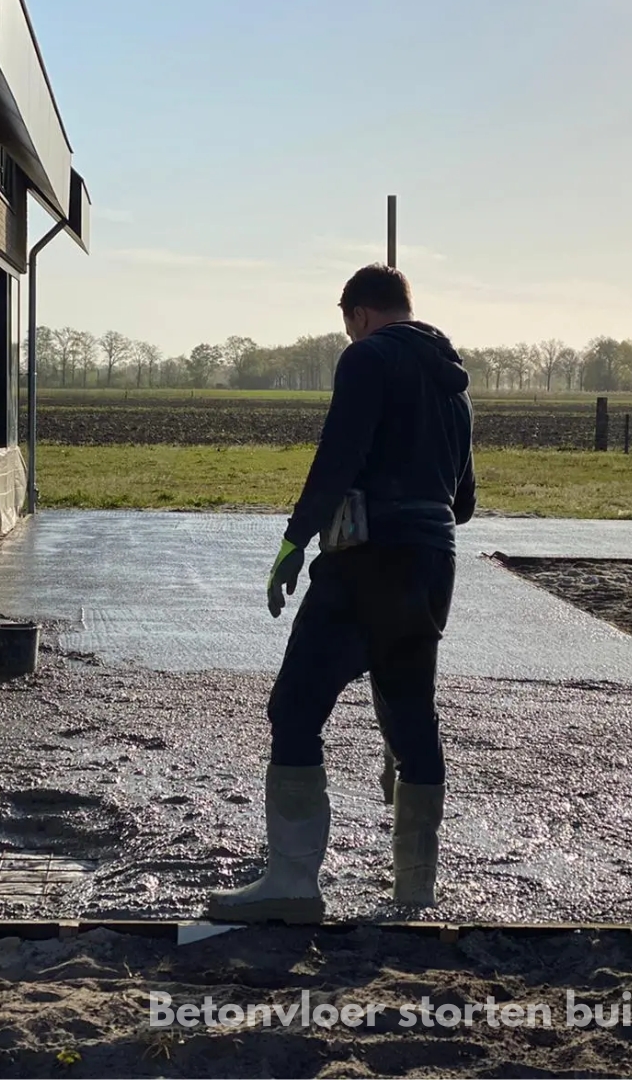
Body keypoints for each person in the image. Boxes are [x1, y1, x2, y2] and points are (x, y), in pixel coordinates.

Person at [207, 263, 475, 924]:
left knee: (295, 707)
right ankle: (415, 890)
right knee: (411, 715)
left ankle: (293, 883)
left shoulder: (366, 360)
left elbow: (339, 455)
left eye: (347, 325)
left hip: (364, 563)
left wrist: (295, 542)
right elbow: (463, 501)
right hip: (432, 563)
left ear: (358, 314)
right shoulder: (454, 384)